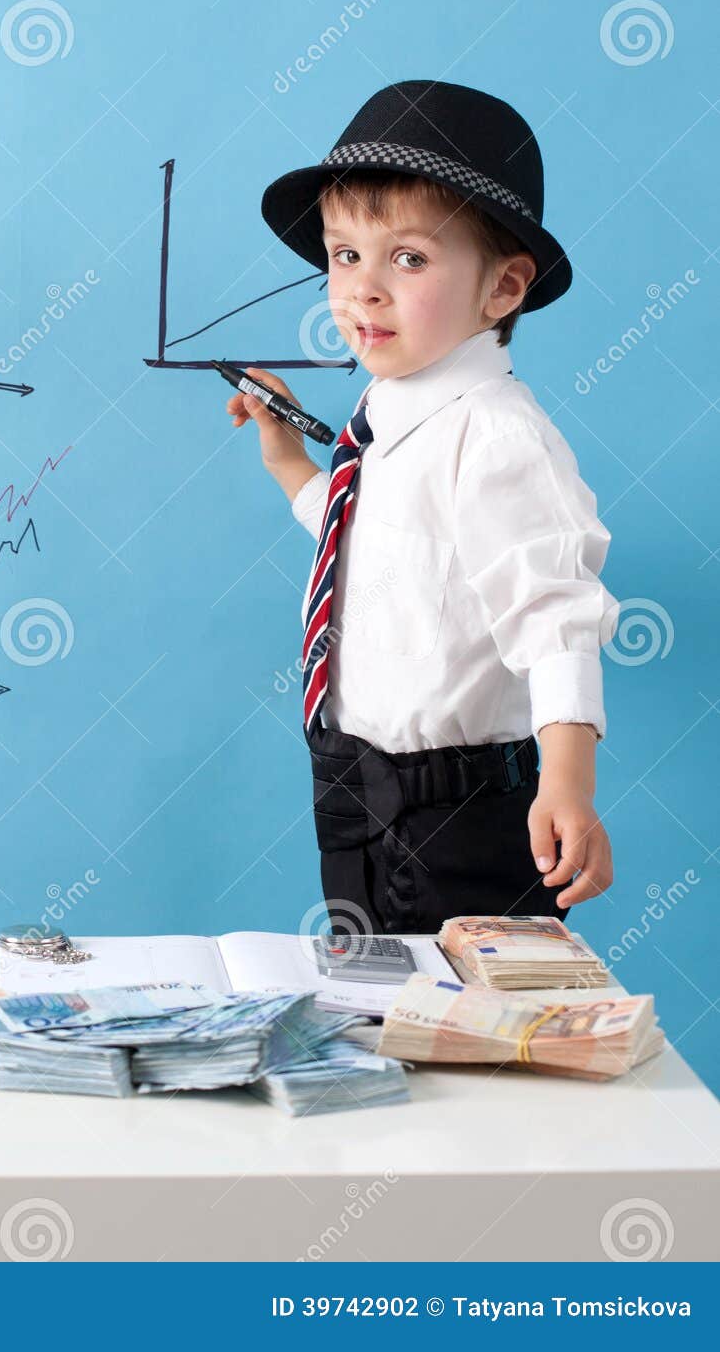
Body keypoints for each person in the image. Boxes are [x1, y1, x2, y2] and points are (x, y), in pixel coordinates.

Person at [227, 79, 621, 934]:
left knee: (471, 1031)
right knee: (381, 1022)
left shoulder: (495, 436)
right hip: (354, 797)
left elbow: (553, 615)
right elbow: (364, 546)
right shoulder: (384, 414)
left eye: (408, 258)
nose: (362, 289)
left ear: (502, 289)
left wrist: (567, 784)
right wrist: (288, 460)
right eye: (343, 254)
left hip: (457, 814)